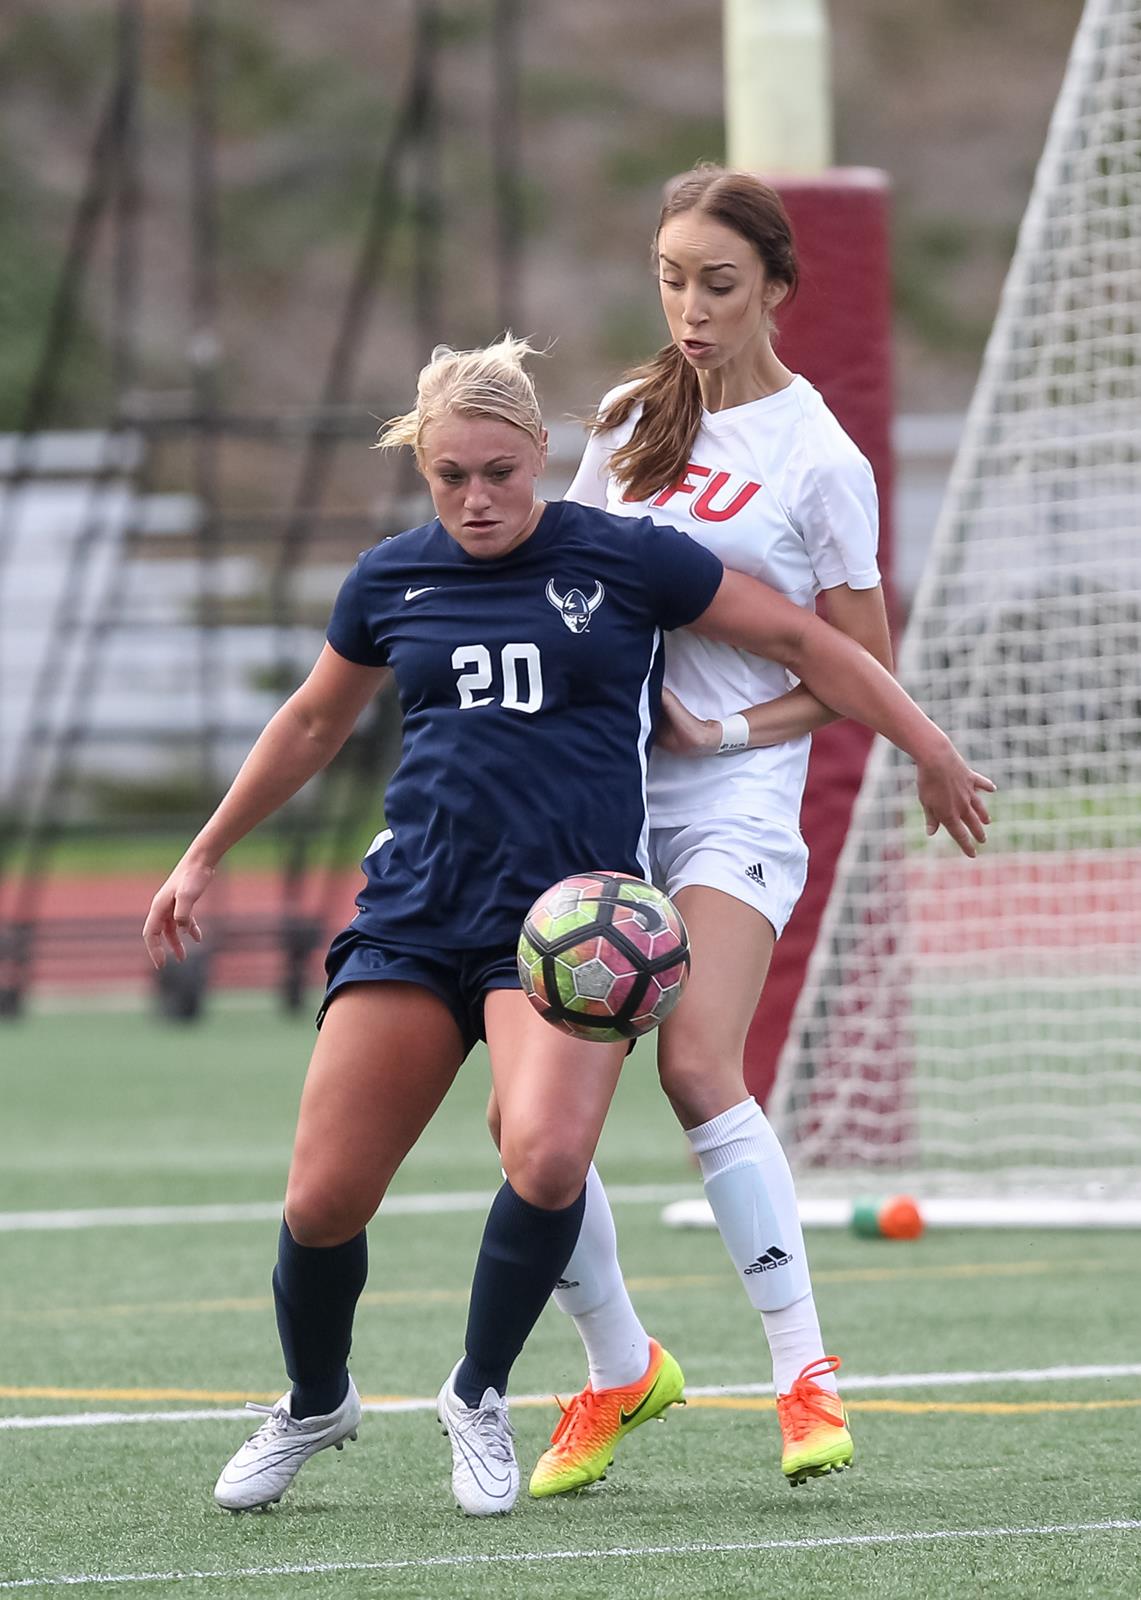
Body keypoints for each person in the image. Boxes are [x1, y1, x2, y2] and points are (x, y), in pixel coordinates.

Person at [142, 334, 991, 1521]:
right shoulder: (390, 578)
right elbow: (311, 723)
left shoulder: (626, 556)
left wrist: (928, 746)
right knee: (322, 1201)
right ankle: (314, 1402)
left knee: (543, 1156)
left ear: (544, 453)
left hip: (566, 927)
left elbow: (806, 642)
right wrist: (203, 852)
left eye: (500, 471)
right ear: (424, 470)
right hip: (414, 912)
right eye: (451, 476)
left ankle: (480, 1394)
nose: (478, 498)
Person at [516, 166, 916, 1501]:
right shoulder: (629, 419)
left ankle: (805, 1377)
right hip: (603, 797)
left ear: (776, 290)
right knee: (535, 1128)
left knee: (696, 1063)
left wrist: (729, 732)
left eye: (718, 284)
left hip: (734, 803)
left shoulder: (820, 459)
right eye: (671, 280)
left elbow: (862, 669)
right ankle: (618, 1366)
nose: (689, 308)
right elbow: (567, 588)